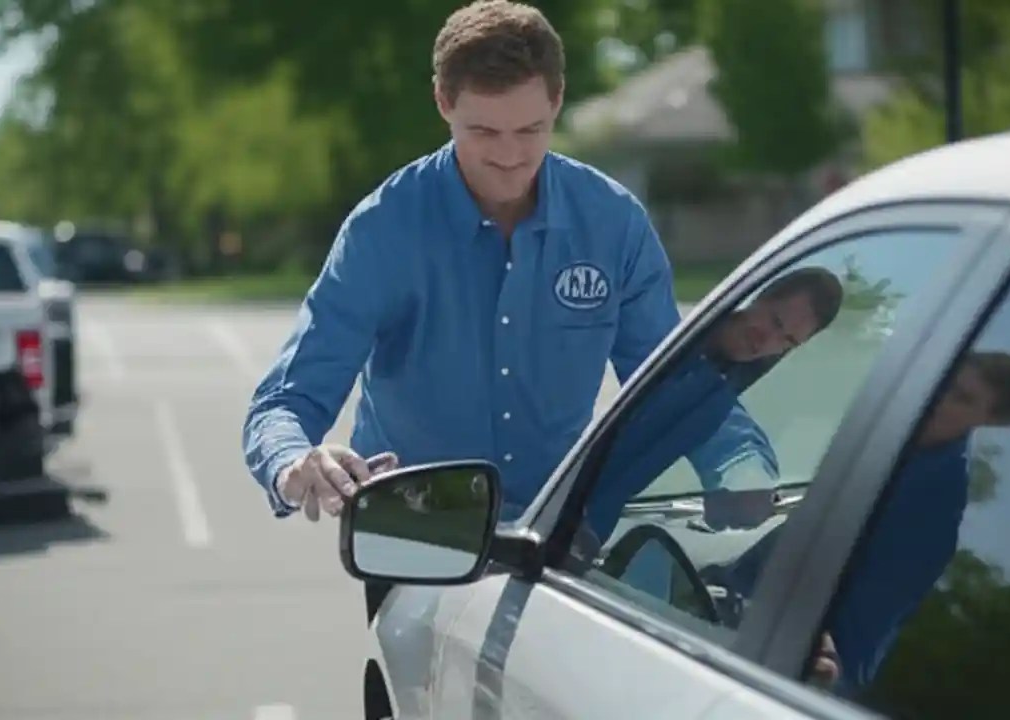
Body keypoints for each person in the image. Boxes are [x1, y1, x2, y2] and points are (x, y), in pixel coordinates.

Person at [242, 0, 684, 628]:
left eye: (530, 131)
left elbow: (675, 387)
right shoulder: (382, 230)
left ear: (557, 101)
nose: (509, 156)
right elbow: (284, 401)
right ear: (443, 102)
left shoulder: (613, 224)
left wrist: (739, 464)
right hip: (415, 547)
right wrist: (295, 464)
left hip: (563, 545)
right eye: (484, 133)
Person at [711, 351, 1010, 693]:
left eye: (961, 397)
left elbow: (850, 649)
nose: (938, 392)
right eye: (945, 375)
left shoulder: (932, 510)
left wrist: (816, 662)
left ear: (989, 421)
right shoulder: (879, 423)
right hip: (723, 604)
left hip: (762, 663)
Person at [580, 266, 844, 545]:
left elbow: (734, 433)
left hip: (581, 536)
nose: (768, 340)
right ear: (756, 295)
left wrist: (749, 480)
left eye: (787, 340)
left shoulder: (723, 388)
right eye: (775, 321)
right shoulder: (662, 330)